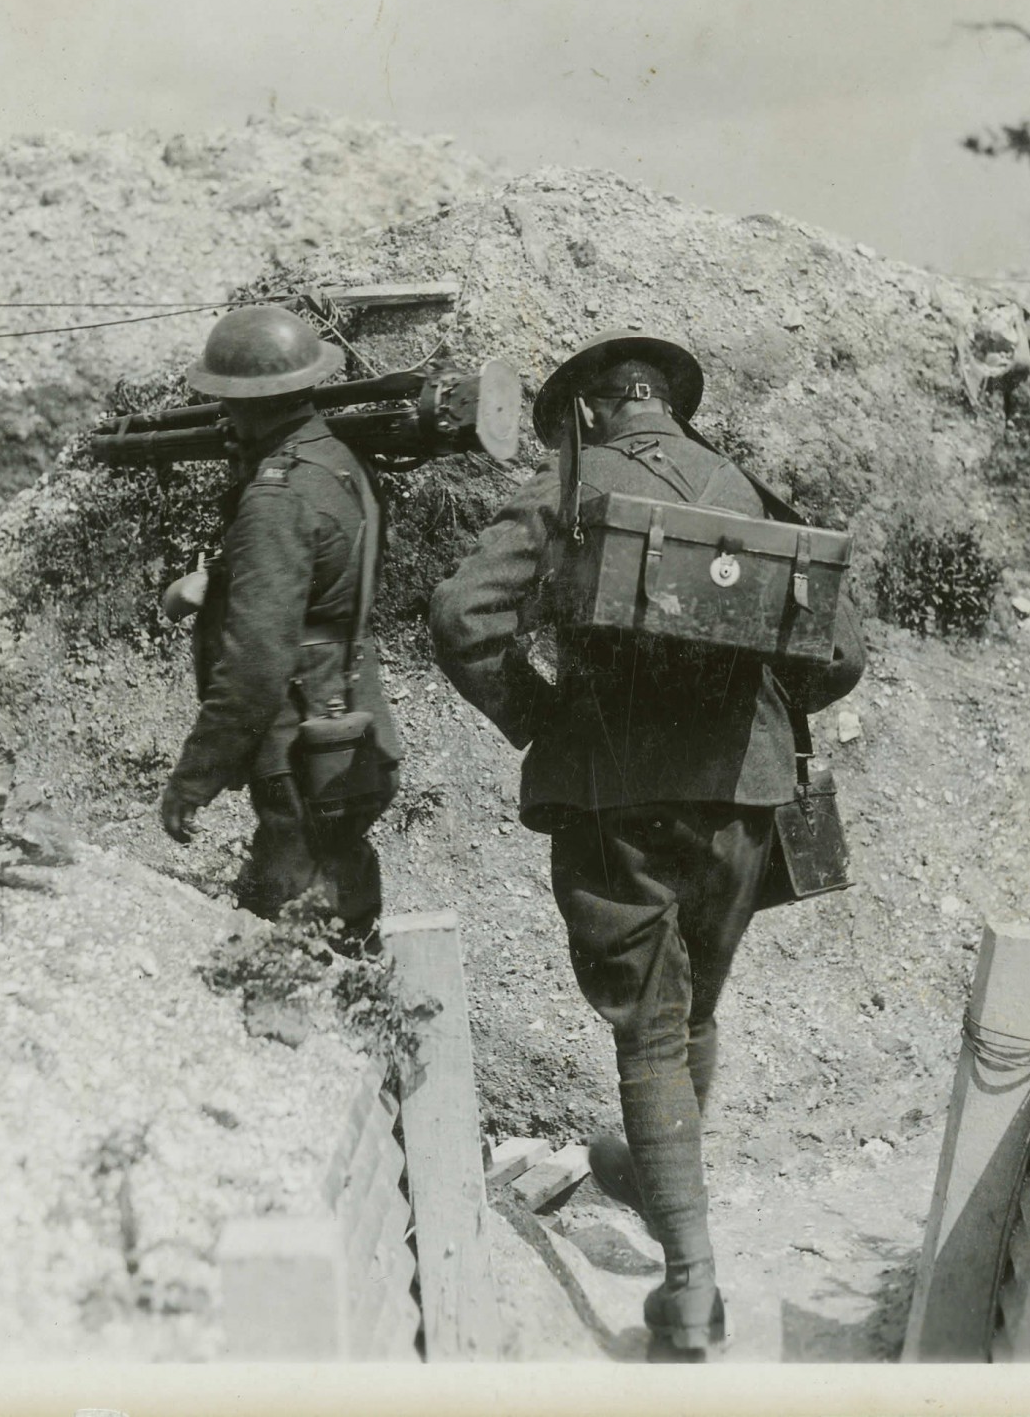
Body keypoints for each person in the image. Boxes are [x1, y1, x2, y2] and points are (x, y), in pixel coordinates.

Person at [428, 332, 863, 1360]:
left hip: (610, 793)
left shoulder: (562, 489)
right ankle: (642, 1171)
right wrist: (756, 712)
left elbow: (459, 612)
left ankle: (692, 1288)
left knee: (647, 1031)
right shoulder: (748, 491)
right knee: (691, 1009)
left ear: (585, 412)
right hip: (741, 797)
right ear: (667, 402)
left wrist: (534, 711)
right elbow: (839, 647)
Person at [158, 304, 402, 943]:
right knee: (343, 889)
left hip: (296, 740)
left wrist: (194, 778)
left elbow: (255, 664)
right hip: (347, 716)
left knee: (294, 922)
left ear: (242, 400)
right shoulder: (339, 461)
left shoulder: (278, 497)